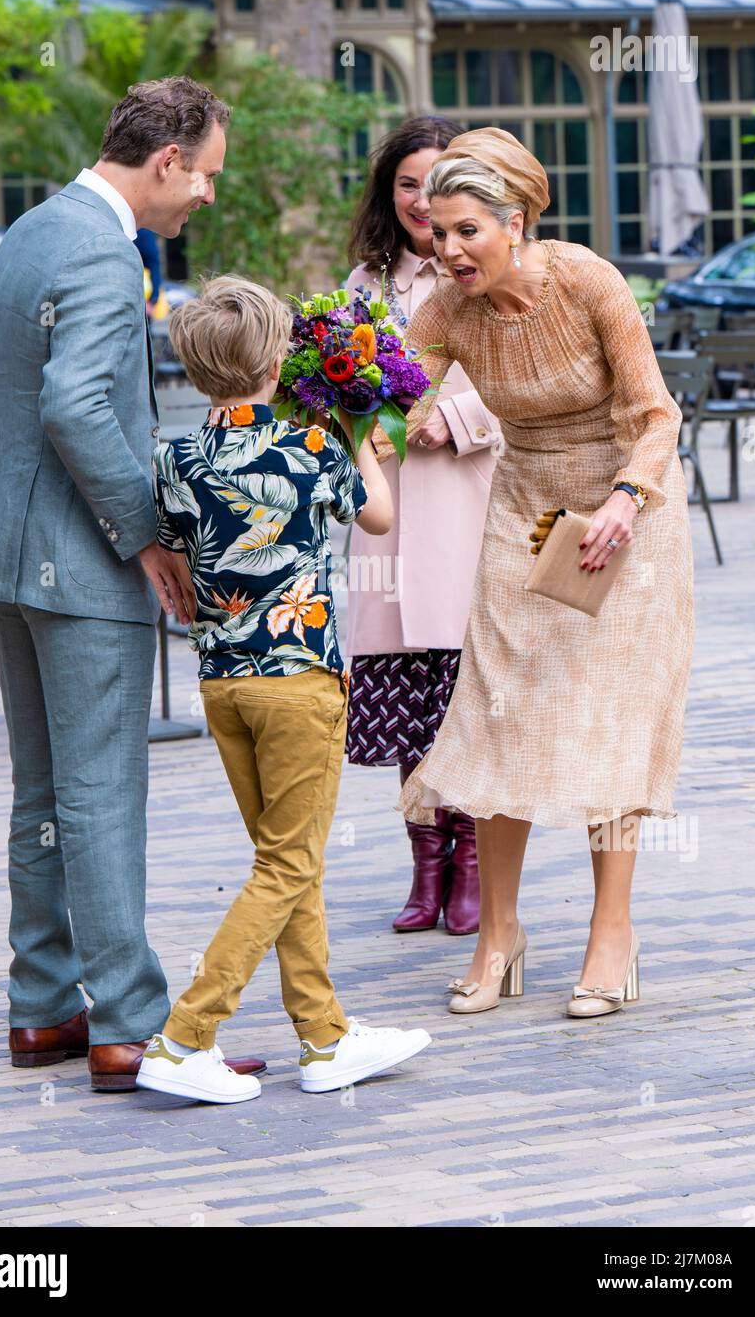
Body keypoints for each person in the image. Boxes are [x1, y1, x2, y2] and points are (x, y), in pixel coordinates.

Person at [0, 78, 264, 1090]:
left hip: (3, 552)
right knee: (100, 792)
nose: (205, 197)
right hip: (76, 561)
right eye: (205, 176)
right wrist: (146, 535)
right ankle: (129, 1023)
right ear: (166, 161)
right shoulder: (97, 248)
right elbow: (77, 406)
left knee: (43, 790)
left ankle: (42, 1007)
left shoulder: (34, 226)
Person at [393, 128, 693, 1019]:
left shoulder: (589, 281)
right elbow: (394, 396)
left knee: (612, 717)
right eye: (436, 233)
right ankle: (502, 935)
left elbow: (656, 413)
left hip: (620, 516)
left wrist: (626, 500)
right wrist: (346, 413)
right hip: (525, 511)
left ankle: (612, 933)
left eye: (465, 232)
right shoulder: (449, 311)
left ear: (515, 223)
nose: (447, 251)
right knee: (497, 715)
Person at [137, 275, 432, 1103]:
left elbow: (171, 539)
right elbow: (374, 517)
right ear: (277, 358)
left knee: (284, 859)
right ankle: (185, 1036)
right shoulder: (308, 447)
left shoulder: (176, 456)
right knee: (289, 861)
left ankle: (325, 1036)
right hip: (298, 679)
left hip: (223, 684)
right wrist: (360, 427)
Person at [344, 116, 502, 937]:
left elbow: (532, 394)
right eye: (407, 183)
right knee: (407, 709)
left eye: (436, 183)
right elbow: (339, 394)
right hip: (385, 521)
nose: (420, 199)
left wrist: (461, 418)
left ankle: (472, 865)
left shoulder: (489, 274)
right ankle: (425, 867)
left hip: (464, 518)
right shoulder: (365, 284)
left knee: (462, 701)